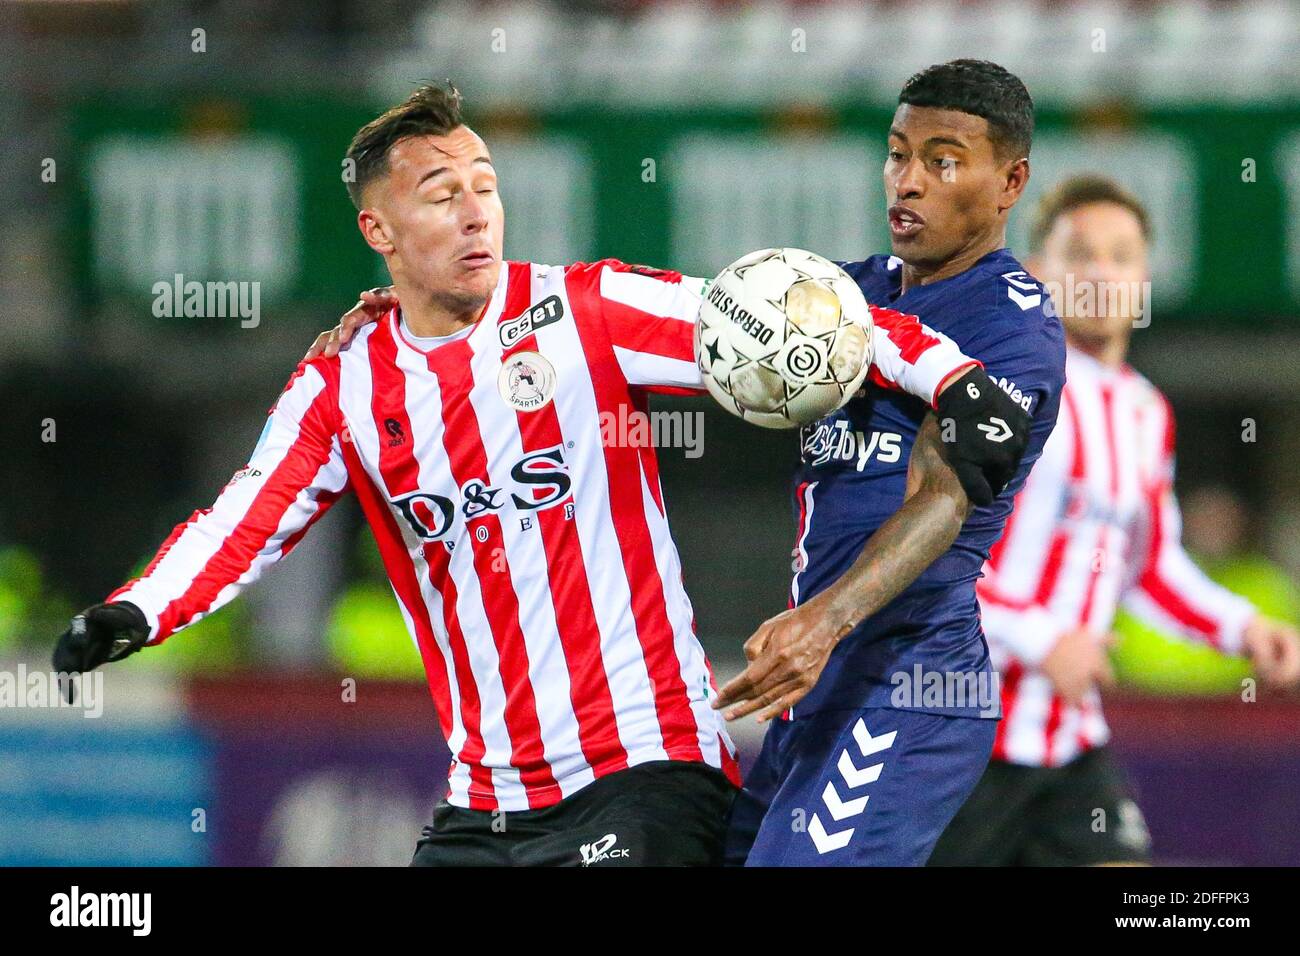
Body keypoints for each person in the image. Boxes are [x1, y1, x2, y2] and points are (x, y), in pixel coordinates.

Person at [53, 82, 1017, 866]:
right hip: (485, 804)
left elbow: (794, 315)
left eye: (486, 184)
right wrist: (136, 612)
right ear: (378, 234)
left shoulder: (585, 311)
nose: (477, 212)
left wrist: (955, 377)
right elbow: (246, 517)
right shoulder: (341, 386)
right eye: (442, 195)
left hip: (647, 774)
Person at [928, 174, 1300, 867]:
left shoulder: (1143, 412)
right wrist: (1043, 638)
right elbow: (930, 559)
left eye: (1121, 255)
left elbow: (1150, 568)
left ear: (1144, 281)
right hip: (964, 740)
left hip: (1070, 746)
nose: (1102, 271)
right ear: (1038, 274)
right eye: (1081, 252)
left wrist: (1243, 626)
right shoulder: (1005, 391)